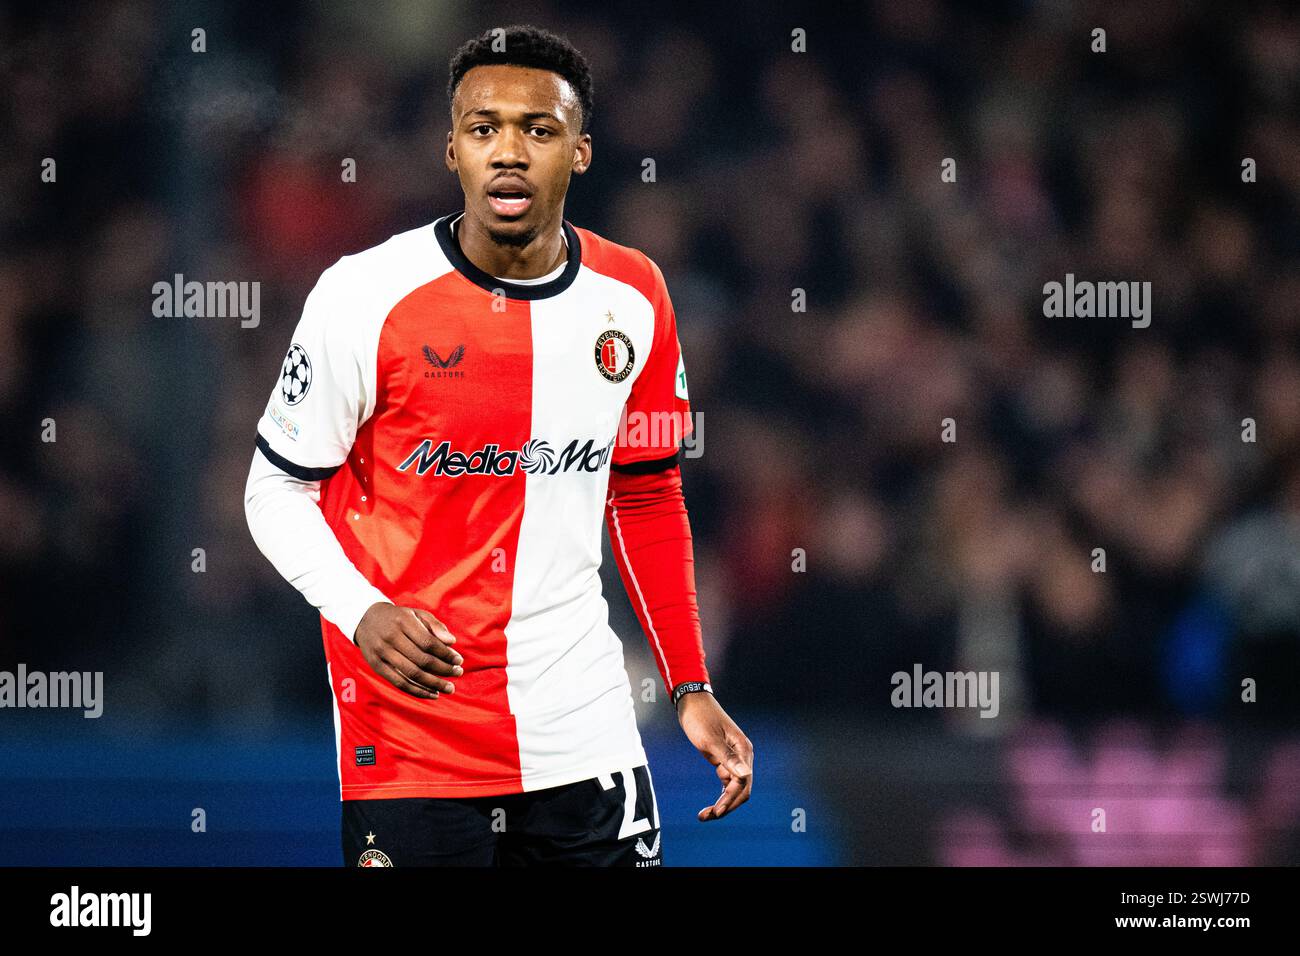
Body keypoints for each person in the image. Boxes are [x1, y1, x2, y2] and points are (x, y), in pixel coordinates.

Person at [243, 24, 753, 866]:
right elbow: (274, 490)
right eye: (484, 129)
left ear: (579, 153)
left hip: (584, 726)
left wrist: (689, 685)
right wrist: (359, 608)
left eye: (538, 130)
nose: (508, 152)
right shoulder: (363, 296)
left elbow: (648, 493)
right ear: (452, 149)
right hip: (412, 740)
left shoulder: (635, 295)